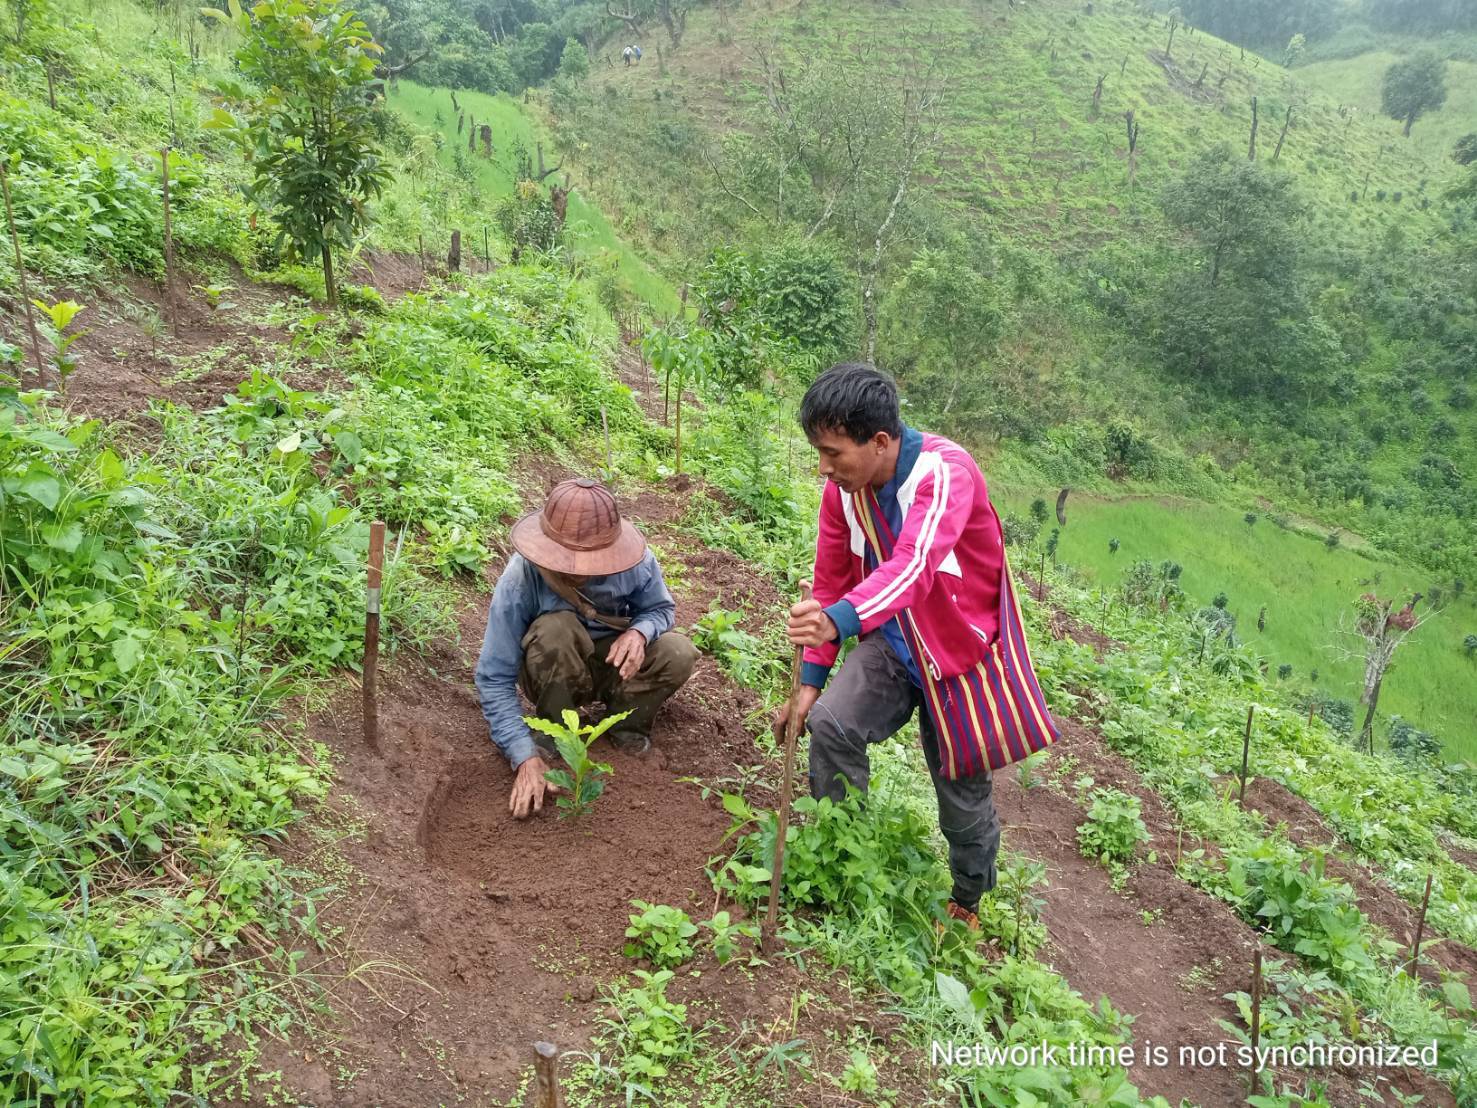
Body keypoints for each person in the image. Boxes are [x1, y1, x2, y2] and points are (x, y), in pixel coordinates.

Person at [775, 363, 1014, 930]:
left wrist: (836, 621)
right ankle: (844, 855)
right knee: (832, 725)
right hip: (895, 641)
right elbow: (830, 579)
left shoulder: (944, 474)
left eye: (833, 453)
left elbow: (914, 568)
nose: (823, 468)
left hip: (960, 656)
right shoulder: (845, 492)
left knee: (962, 800)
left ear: (880, 442)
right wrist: (810, 684)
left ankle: (967, 899)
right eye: (819, 452)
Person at [475, 478, 698, 819]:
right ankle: (554, 728)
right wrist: (523, 756)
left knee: (677, 652)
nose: (577, 571)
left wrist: (639, 633)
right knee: (555, 630)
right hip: (555, 666)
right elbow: (494, 677)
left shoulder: (637, 562)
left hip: (613, 664)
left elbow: (661, 610)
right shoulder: (522, 577)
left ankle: (625, 724)